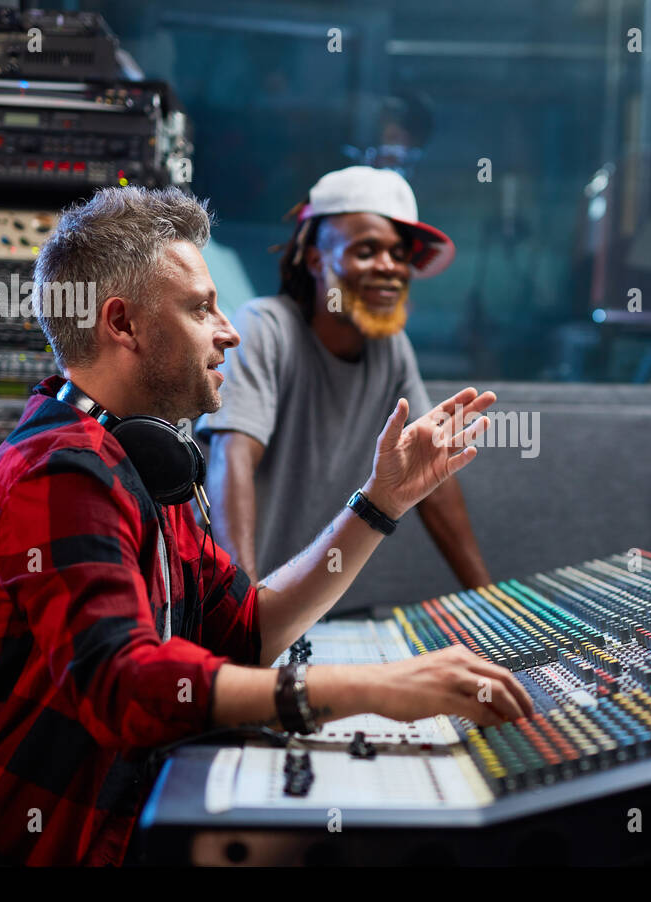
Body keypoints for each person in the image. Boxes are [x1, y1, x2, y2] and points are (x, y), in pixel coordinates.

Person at [0, 186, 532, 866]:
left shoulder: (148, 464)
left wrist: (379, 502)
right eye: (201, 308)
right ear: (122, 324)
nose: (230, 330)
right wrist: (375, 689)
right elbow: (123, 685)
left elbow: (247, 632)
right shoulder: (57, 473)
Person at [198, 166, 491, 588]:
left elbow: (435, 479)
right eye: (367, 250)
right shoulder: (265, 326)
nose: (389, 266)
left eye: (400, 253)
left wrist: (486, 596)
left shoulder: (390, 348)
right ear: (316, 257)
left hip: (307, 605)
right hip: (242, 597)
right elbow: (232, 461)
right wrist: (241, 610)